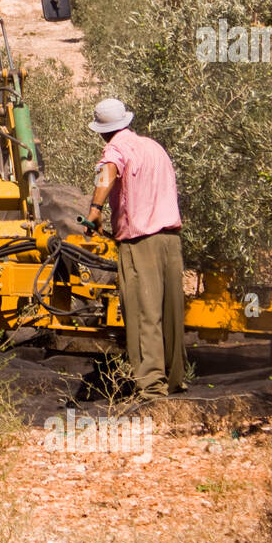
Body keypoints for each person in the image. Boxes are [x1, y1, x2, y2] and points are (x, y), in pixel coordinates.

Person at [84, 98, 186, 400]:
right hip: (171, 239)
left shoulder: (115, 147)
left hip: (141, 241)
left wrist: (95, 208)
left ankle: (151, 386)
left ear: (102, 131)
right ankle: (174, 379)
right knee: (170, 312)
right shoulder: (154, 147)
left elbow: (108, 172)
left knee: (144, 312)